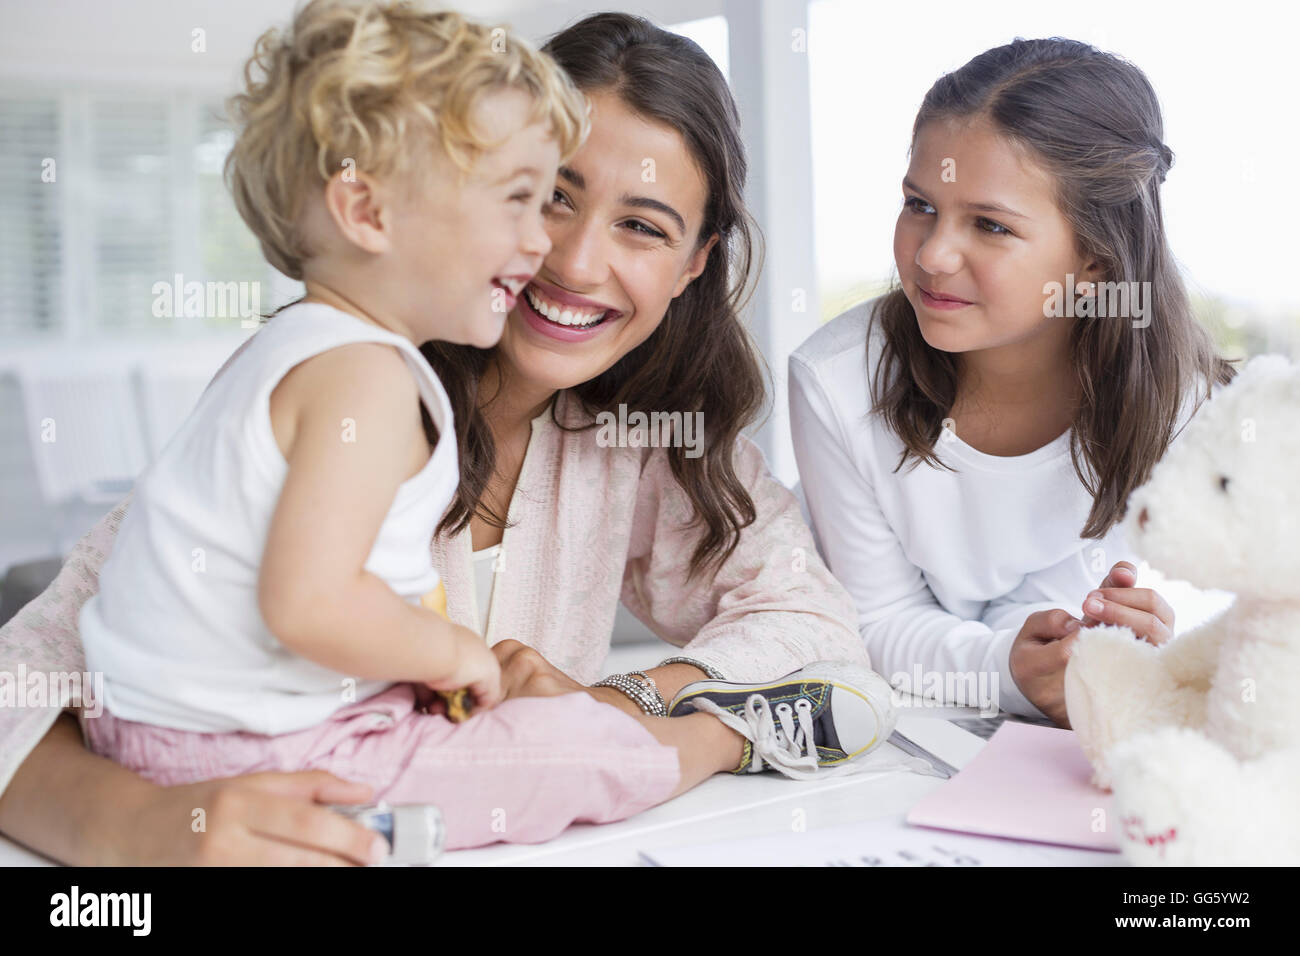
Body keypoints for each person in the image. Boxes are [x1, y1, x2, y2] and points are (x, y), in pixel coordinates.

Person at [0, 11, 892, 866]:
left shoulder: (646, 438)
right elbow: (20, 683)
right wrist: (129, 827)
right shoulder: (337, 387)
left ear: (695, 262)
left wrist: (618, 701)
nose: (572, 262)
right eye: (540, 197)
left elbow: (814, 623)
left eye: (642, 226)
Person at [789, 38, 1235, 728]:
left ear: (1093, 259)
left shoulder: (1179, 408)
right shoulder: (836, 381)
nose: (933, 254)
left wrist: (1087, 647)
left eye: (989, 224)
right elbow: (874, 621)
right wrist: (1011, 670)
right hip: (870, 711)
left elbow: (1043, 616)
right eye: (920, 205)